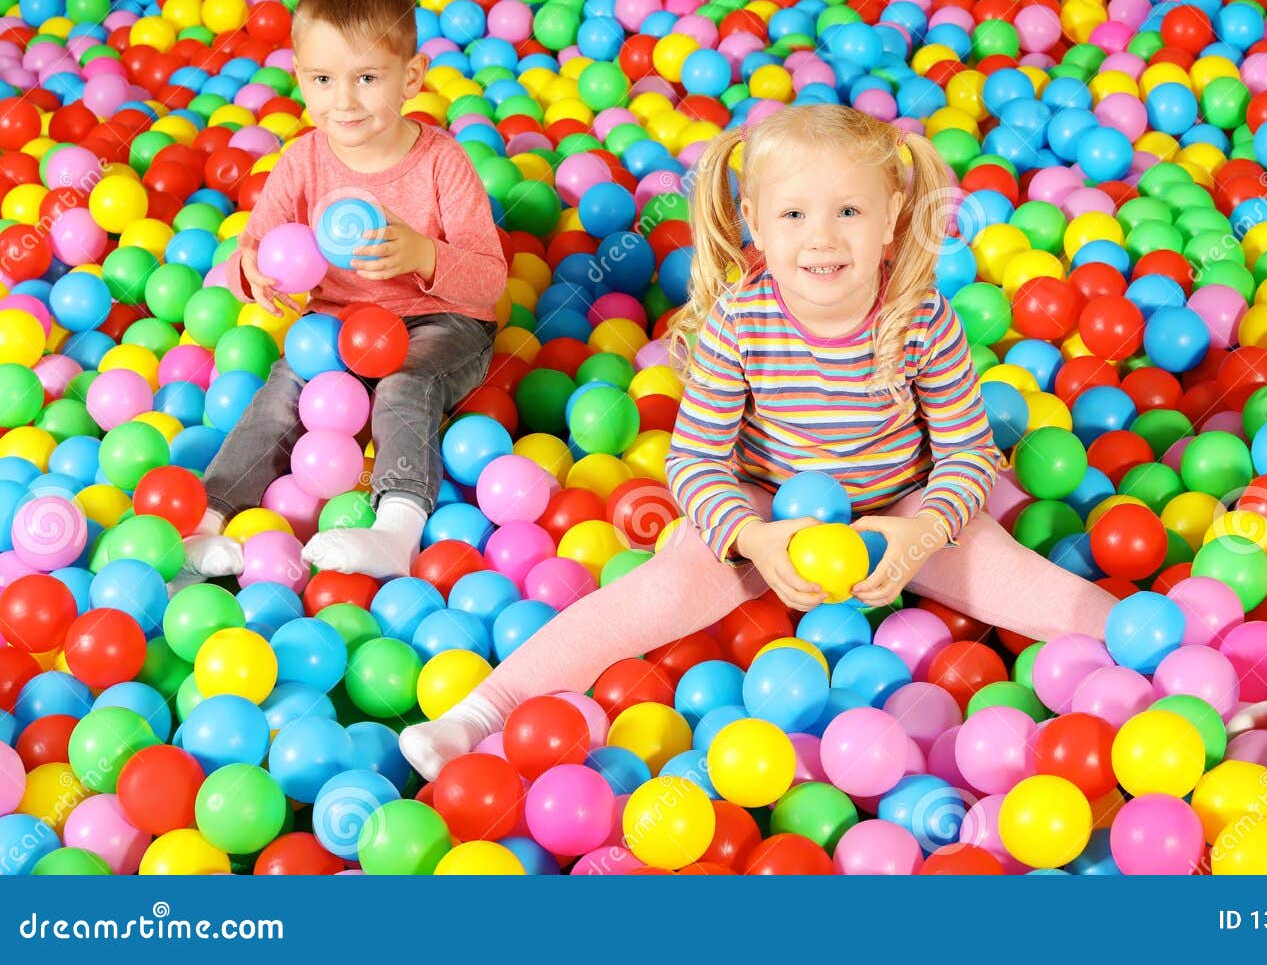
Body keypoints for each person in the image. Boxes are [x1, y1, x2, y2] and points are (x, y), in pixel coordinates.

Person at [398, 104, 1118, 781]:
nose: (823, 237)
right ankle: (481, 711)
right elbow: (696, 460)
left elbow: (967, 455)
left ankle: (1183, 683)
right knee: (664, 589)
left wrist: (924, 534)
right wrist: (753, 540)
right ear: (756, 224)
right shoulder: (739, 323)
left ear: (893, 218)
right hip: (766, 505)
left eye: (849, 212)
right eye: (795, 214)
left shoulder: (923, 318)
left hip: (898, 506)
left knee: (1026, 583)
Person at [178, 0, 507, 587]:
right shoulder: (302, 160)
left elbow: (490, 282)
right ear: (300, 76)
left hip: (440, 324)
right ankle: (210, 523)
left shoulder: (442, 161)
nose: (343, 100)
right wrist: (253, 269)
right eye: (323, 79)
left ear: (410, 77)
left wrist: (424, 255)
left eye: (367, 78)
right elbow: (255, 246)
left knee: (403, 385)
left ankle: (396, 530)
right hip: (332, 328)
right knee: (280, 395)